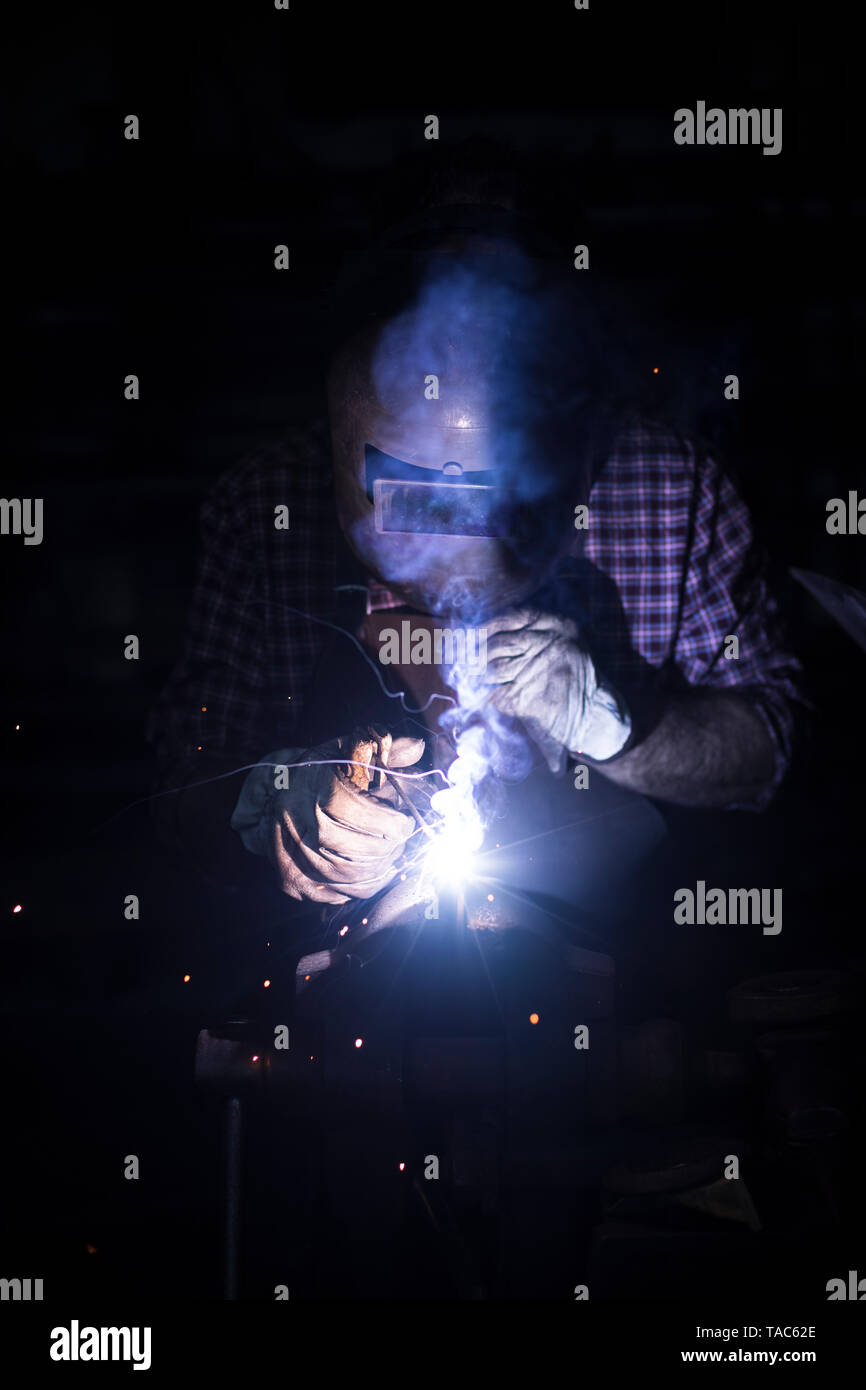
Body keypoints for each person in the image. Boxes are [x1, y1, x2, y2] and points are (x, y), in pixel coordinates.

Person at [147, 182, 806, 914]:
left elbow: (769, 756)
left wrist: (617, 730)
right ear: (339, 456)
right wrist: (275, 804)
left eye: (498, 515)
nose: (452, 578)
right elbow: (181, 783)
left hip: (633, 947)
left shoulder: (670, 491)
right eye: (415, 515)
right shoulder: (264, 506)